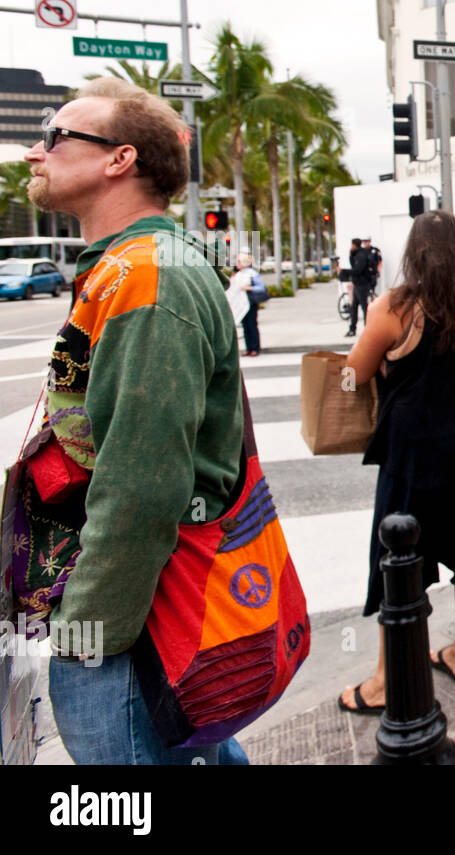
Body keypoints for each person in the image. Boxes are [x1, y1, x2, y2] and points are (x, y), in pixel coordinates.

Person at [22, 76, 249, 764]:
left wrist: (82, 636)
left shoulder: (149, 275)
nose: (38, 152)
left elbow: (141, 488)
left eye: (58, 136)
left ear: (119, 159)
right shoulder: (135, 266)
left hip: (131, 627)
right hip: (145, 610)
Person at [338, 210, 455, 710]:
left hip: (415, 457)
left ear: (414, 254)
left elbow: (354, 375)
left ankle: (384, 681)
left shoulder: (395, 306)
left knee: (401, 556)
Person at [230, 250, 266, 356]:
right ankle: (248, 348)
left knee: (252, 325)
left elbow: (261, 288)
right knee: (245, 326)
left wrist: (248, 288)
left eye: (239, 262)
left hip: (250, 302)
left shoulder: (252, 274)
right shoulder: (238, 274)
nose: (237, 264)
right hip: (240, 304)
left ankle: (255, 348)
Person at [346, 236, 381, 337]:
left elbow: (358, 270)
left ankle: (368, 328)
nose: (366, 243)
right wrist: (351, 254)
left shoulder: (365, 254)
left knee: (365, 307)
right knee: (354, 307)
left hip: (363, 284)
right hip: (358, 284)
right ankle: (353, 328)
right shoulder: (358, 254)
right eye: (364, 241)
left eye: (367, 241)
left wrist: (344, 272)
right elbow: (353, 265)